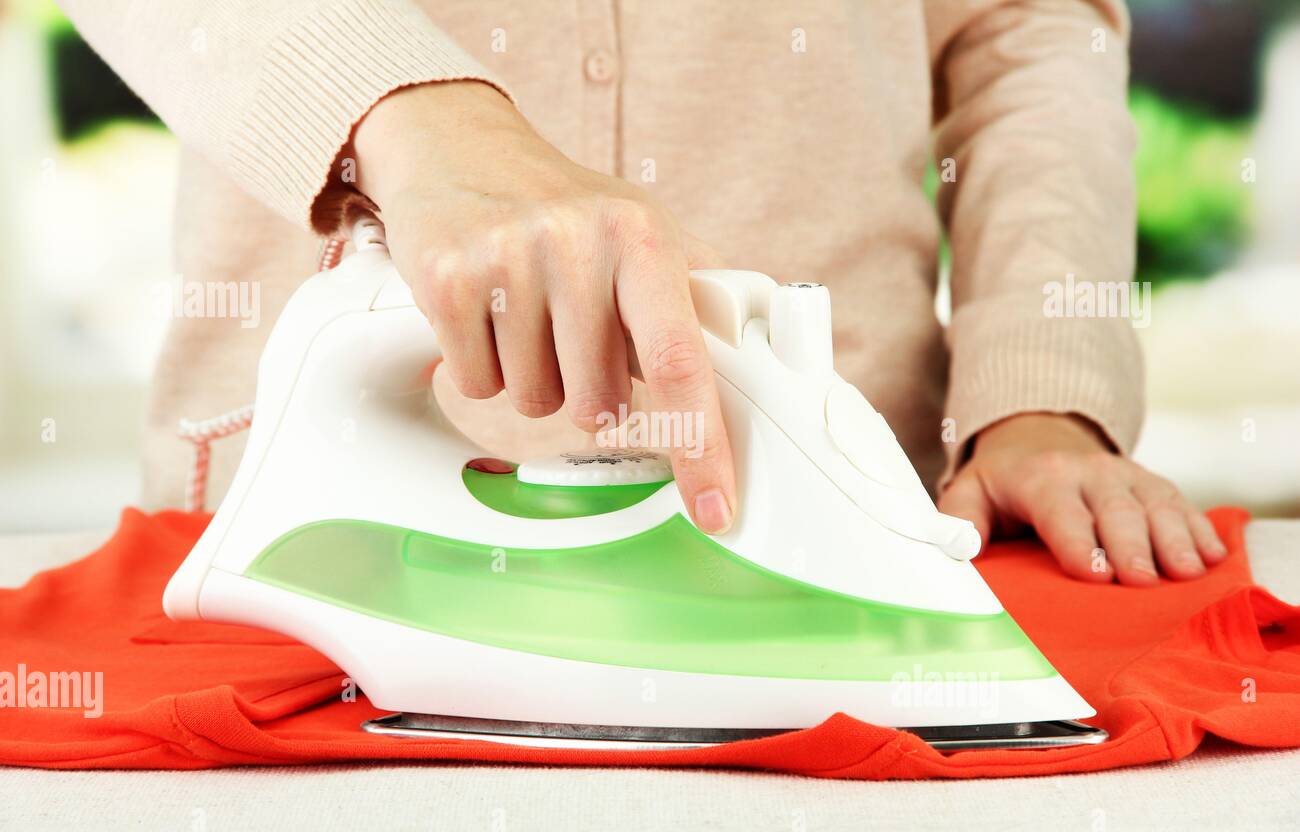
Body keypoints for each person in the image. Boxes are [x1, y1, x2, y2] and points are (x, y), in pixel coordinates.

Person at [60, 0, 1226, 584]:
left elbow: (1022, 22)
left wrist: (1037, 392)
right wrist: (421, 122)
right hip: (296, 528)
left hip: (867, 506)